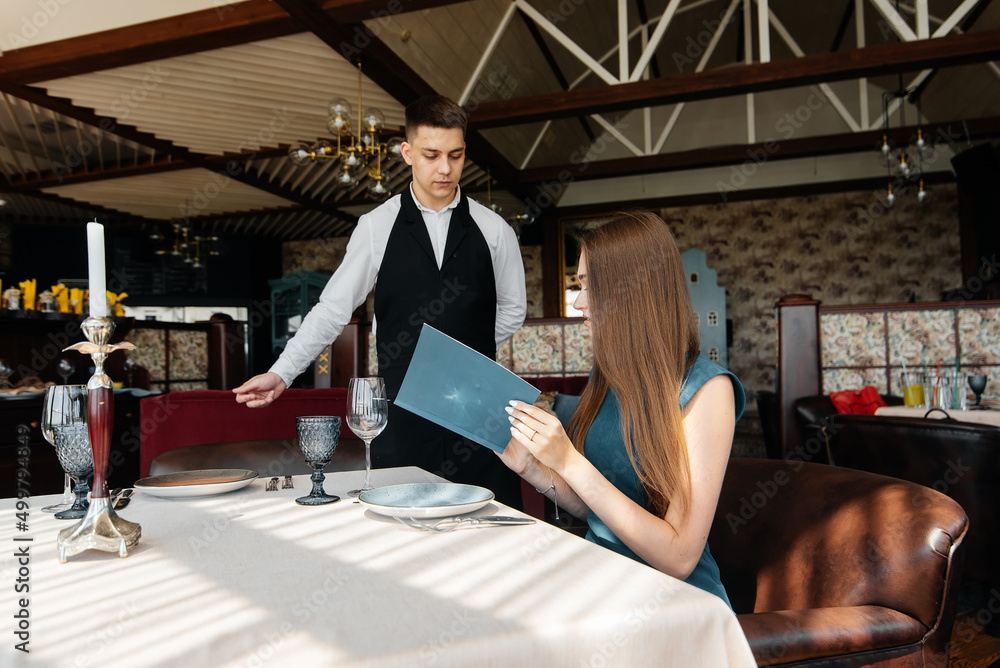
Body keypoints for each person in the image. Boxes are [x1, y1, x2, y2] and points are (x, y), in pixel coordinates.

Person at [233, 96, 527, 507]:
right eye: (431, 155)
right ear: (407, 153)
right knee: (400, 527)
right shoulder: (375, 227)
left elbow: (514, 308)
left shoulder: (496, 230)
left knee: (490, 523)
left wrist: (459, 352)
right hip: (403, 414)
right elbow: (334, 310)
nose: (445, 168)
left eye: (455, 155)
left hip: (478, 412)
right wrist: (282, 373)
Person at [501, 210, 744, 606]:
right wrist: (532, 467)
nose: (578, 301)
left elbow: (680, 558)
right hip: (603, 581)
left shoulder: (708, 388)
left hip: (675, 604)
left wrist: (569, 461)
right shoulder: (611, 377)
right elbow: (601, 509)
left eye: (587, 285)